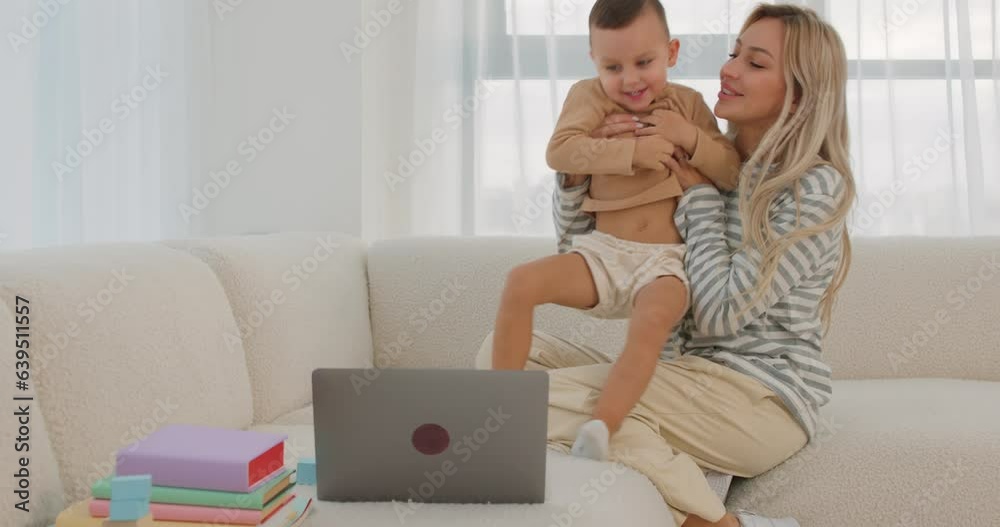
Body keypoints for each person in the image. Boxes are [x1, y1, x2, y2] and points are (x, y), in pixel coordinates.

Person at [476, 4, 856, 527]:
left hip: (758, 397)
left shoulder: (811, 186)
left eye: (755, 63)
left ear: (800, 93)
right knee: (501, 357)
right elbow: (585, 255)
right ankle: (682, 501)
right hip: (681, 374)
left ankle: (718, 521)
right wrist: (583, 172)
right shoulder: (695, 151)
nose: (729, 69)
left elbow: (721, 312)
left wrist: (698, 196)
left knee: (514, 404)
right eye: (733, 54)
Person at [490, 0, 741, 460]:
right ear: (593, 61)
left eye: (644, 62)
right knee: (519, 281)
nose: (630, 80)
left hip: (667, 261)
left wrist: (689, 137)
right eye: (613, 66)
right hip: (601, 253)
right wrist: (631, 155)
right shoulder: (588, 97)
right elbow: (560, 153)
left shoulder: (689, 104)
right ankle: (500, 409)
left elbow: (730, 172)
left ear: (672, 52)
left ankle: (601, 428)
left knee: (652, 324)